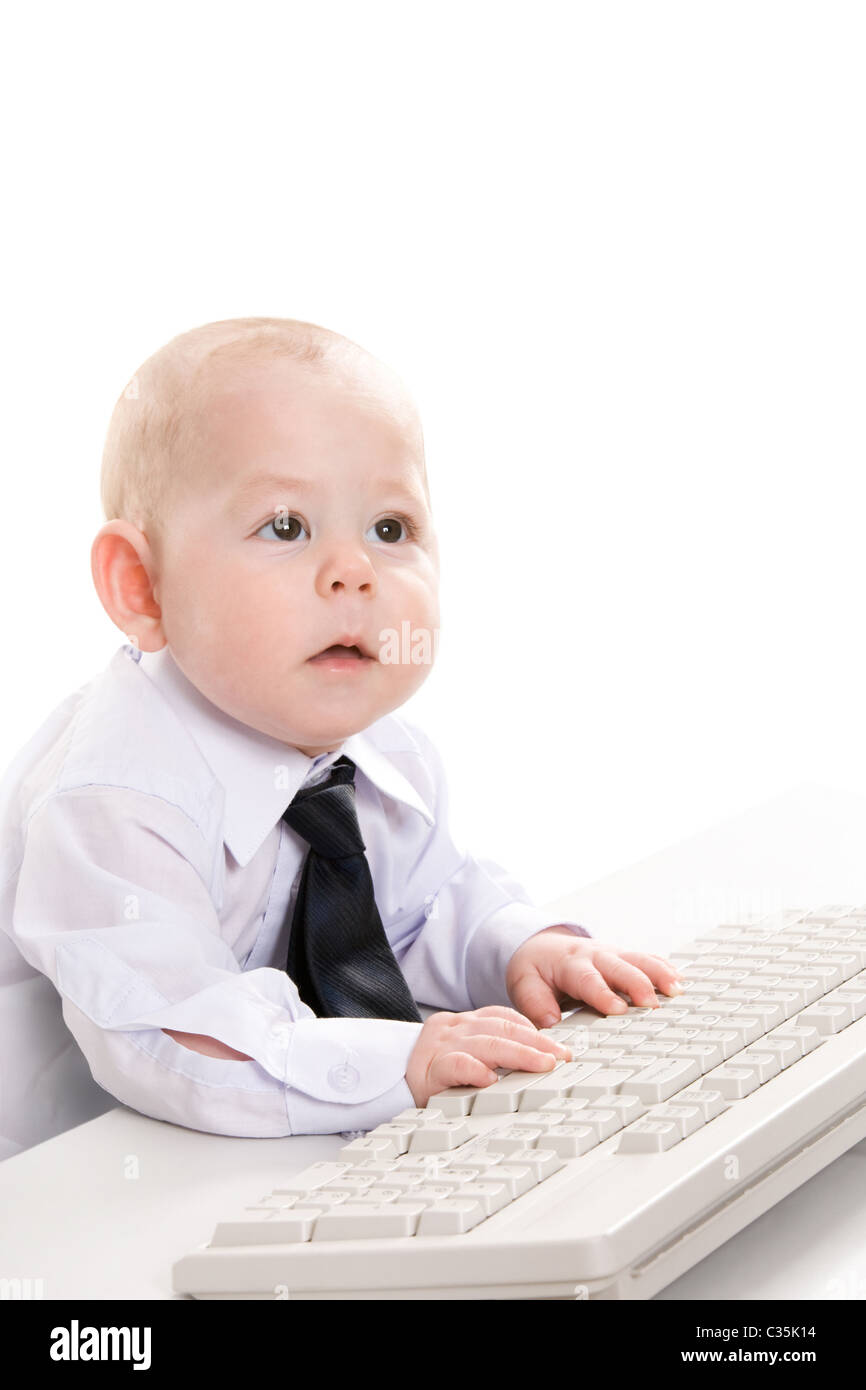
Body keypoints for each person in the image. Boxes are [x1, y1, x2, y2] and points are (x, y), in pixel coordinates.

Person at [0, 316, 682, 1159]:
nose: (353, 570)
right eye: (286, 526)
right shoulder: (116, 797)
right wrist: (401, 1060)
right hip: (66, 1184)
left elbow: (418, 909)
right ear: (142, 585)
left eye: (390, 529)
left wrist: (514, 949)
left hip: (240, 1156)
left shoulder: (383, 755)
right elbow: (171, 1030)